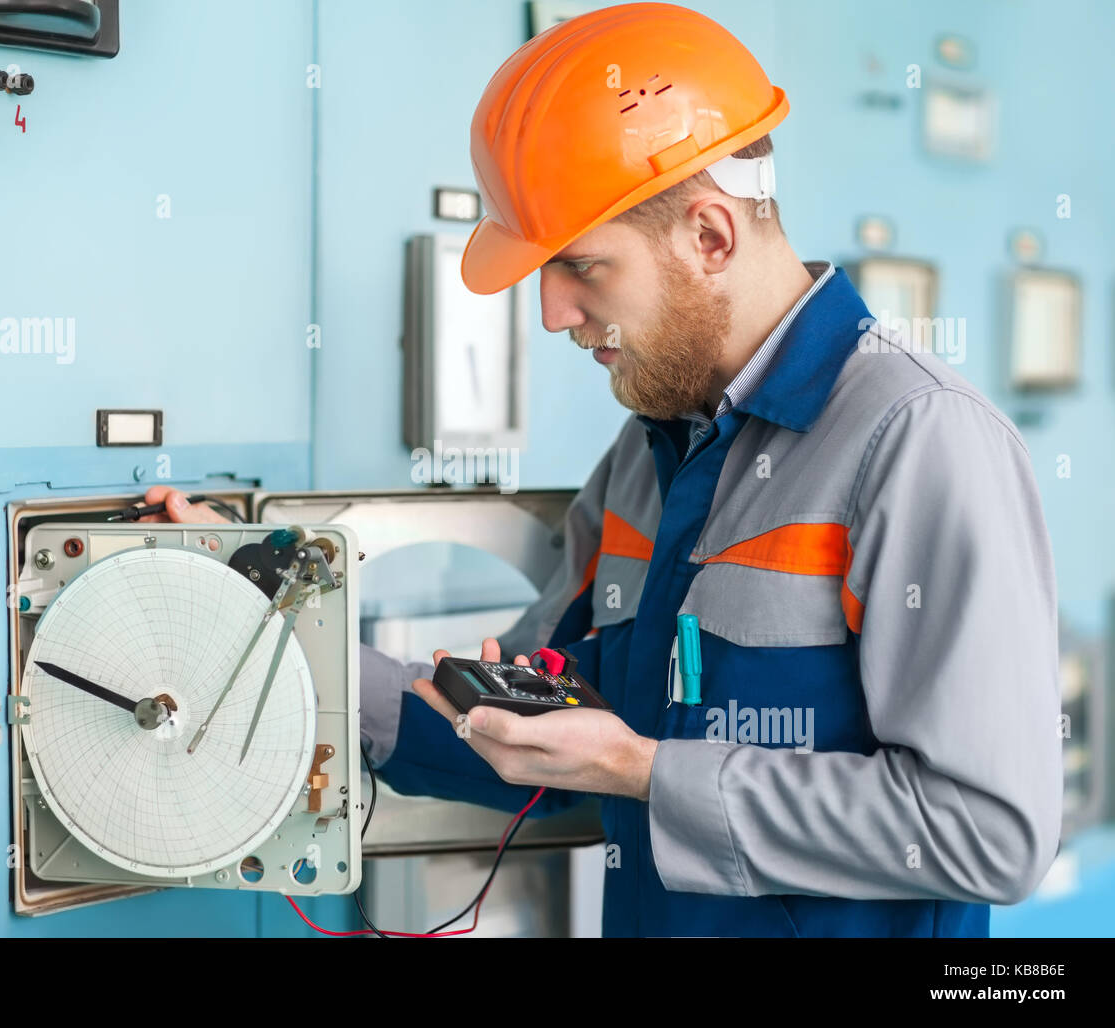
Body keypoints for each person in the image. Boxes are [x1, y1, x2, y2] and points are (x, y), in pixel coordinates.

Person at [143, 2, 1061, 937]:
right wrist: (266, 621)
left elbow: (987, 832)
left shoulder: (918, 441)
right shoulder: (649, 449)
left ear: (710, 237)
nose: (550, 313)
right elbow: (539, 738)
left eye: (582, 266)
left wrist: (644, 771)